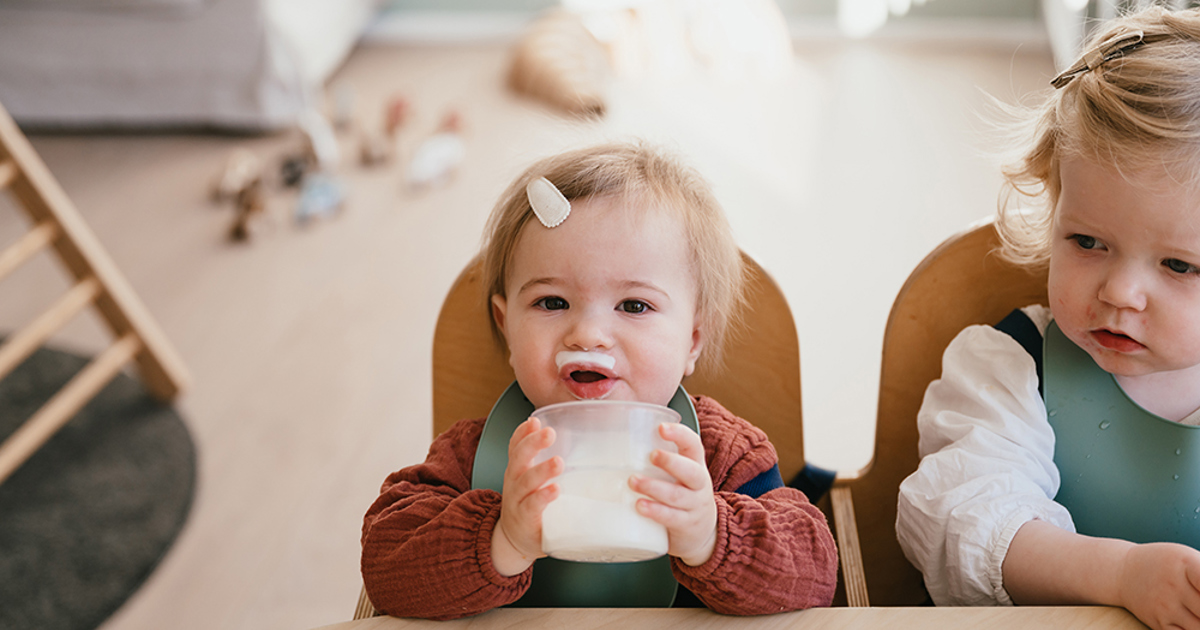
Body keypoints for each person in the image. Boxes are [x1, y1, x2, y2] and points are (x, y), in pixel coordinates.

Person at [360, 141, 837, 620]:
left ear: (692, 340)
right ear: (507, 328)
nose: (587, 334)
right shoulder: (475, 454)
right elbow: (385, 566)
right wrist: (502, 538)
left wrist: (710, 534)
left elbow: (816, 572)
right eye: (551, 302)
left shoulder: (719, 453)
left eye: (634, 306)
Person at [896, 8, 1200, 630]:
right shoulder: (1012, 364)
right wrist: (1122, 575)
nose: (1121, 293)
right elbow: (963, 522)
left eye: (1178, 264)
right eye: (1088, 242)